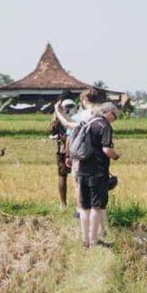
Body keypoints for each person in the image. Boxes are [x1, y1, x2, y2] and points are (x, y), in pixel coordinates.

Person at [55, 88, 104, 242]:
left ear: (85, 100)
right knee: (98, 200)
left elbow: (69, 130)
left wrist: (68, 155)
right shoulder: (102, 114)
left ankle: (86, 234)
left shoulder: (80, 116)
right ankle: (100, 231)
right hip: (99, 160)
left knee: (79, 188)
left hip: (81, 160)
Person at [78, 102, 121, 248]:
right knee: (97, 206)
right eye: (115, 116)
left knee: (85, 207)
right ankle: (94, 241)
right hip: (97, 172)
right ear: (110, 112)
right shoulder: (104, 126)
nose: (114, 119)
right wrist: (116, 156)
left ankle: (85, 240)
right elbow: (107, 150)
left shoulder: (88, 122)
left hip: (82, 170)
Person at [51, 99, 76, 209]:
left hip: (63, 149)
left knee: (62, 175)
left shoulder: (58, 117)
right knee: (79, 177)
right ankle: (80, 203)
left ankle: (63, 204)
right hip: (78, 148)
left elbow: (52, 132)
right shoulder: (77, 115)